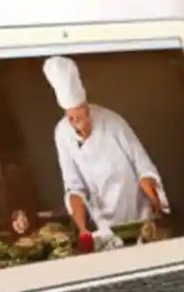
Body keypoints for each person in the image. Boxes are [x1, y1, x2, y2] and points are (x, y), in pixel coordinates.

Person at [42, 56, 170, 248]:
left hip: (140, 217)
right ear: (68, 119)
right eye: (75, 118)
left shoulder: (113, 122)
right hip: (106, 226)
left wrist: (155, 203)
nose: (83, 122)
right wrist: (83, 229)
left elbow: (142, 167)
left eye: (85, 113)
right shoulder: (62, 134)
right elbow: (74, 188)